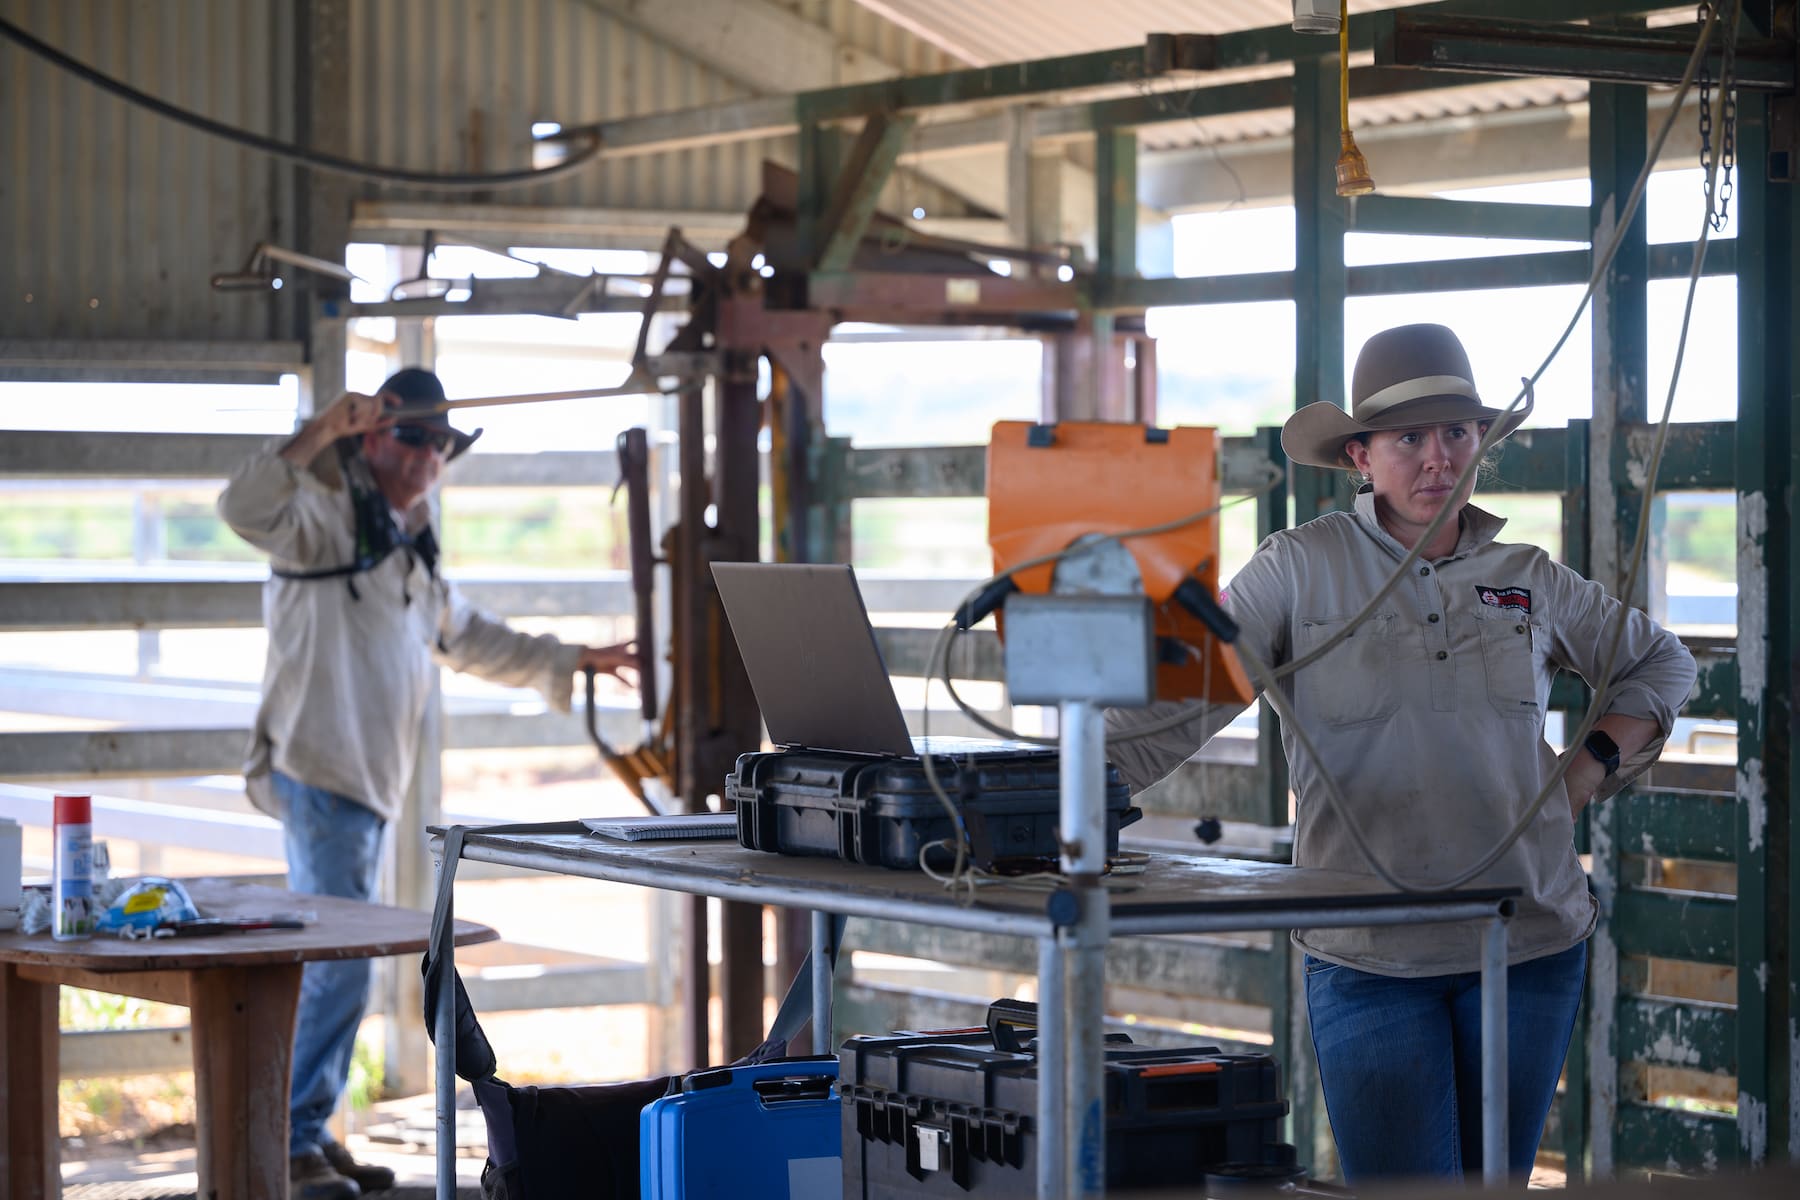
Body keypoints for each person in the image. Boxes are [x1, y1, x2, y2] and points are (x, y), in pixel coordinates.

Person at [1104, 324, 1696, 1184]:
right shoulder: (1297, 572)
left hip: (1525, 938)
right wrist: (1052, 787)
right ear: (1360, 455)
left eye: (1457, 432)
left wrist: (1578, 778)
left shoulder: (1526, 574)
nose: (1437, 458)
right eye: (1408, 438)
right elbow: (1177, 700)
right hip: (1370, 956)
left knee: (1496, 1185)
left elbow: (1660, 661)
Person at [218, 368, 635, 1200]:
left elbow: (465, 634)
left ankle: (307, 1131)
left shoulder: (409, 534)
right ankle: (291, 1142)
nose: (426, 455)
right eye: (411, 436)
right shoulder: (323, 518)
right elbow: (243, 508)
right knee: (338, 965)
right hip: (323, 767)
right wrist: (317, 435)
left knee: (346, 964)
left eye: (439, 443)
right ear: (370, 438)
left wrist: (570, 658)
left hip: (364, 777)